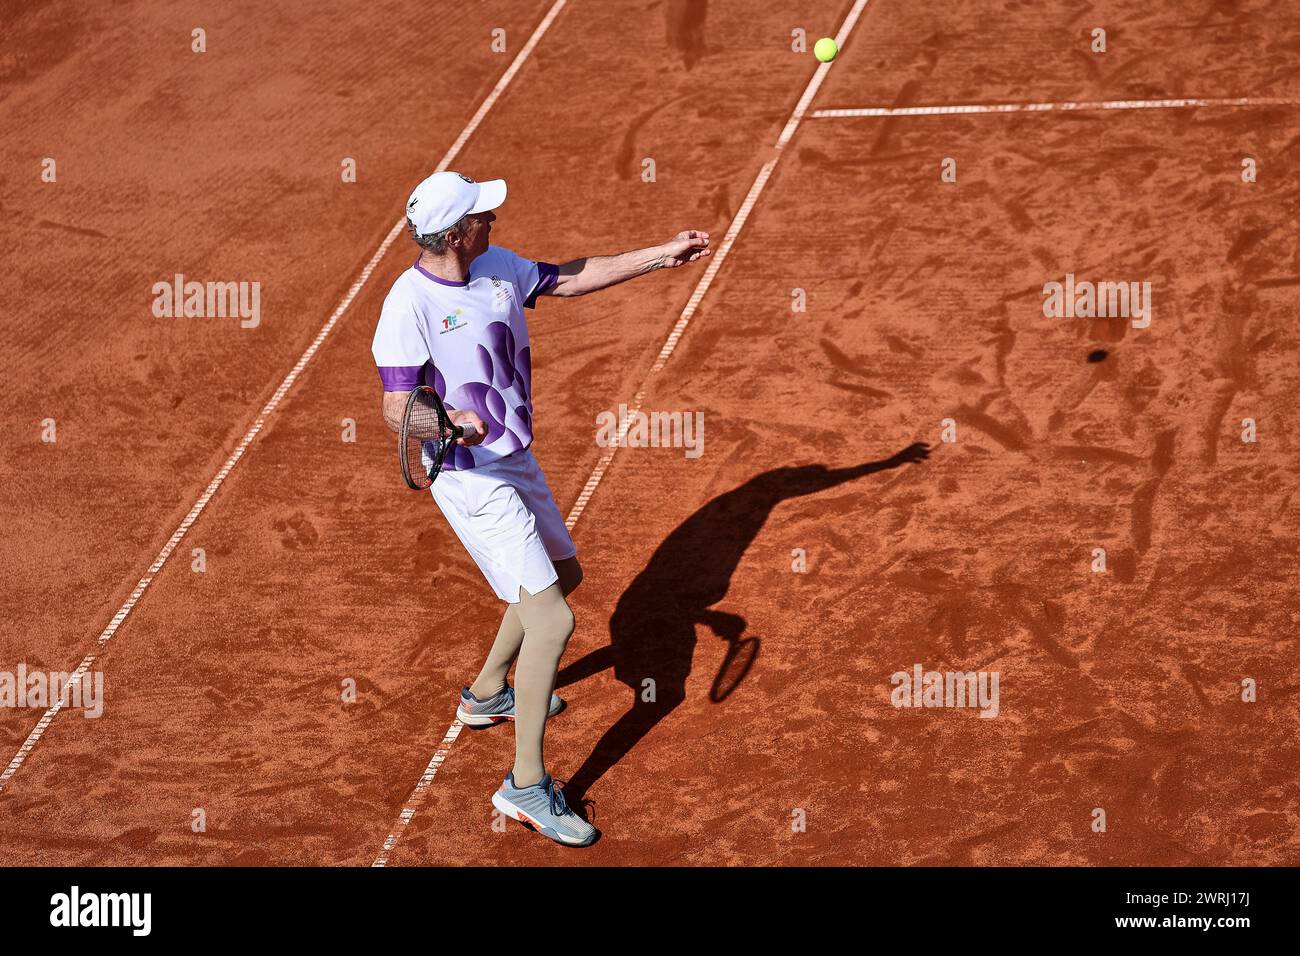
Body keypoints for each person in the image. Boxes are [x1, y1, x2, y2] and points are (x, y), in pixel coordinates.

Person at [371, 170, 710, 846]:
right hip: (472, 479)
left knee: (565, 576)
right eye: (482, 216)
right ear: (456, 233)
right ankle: (525, 784)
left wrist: (659, 254)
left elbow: (570, 278)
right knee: (552, 618)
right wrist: (442, 423)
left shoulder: (494, 266)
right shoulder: (407, 305)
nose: (494, 220)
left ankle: (487, 692)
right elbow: (394, 410)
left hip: (515, 458)